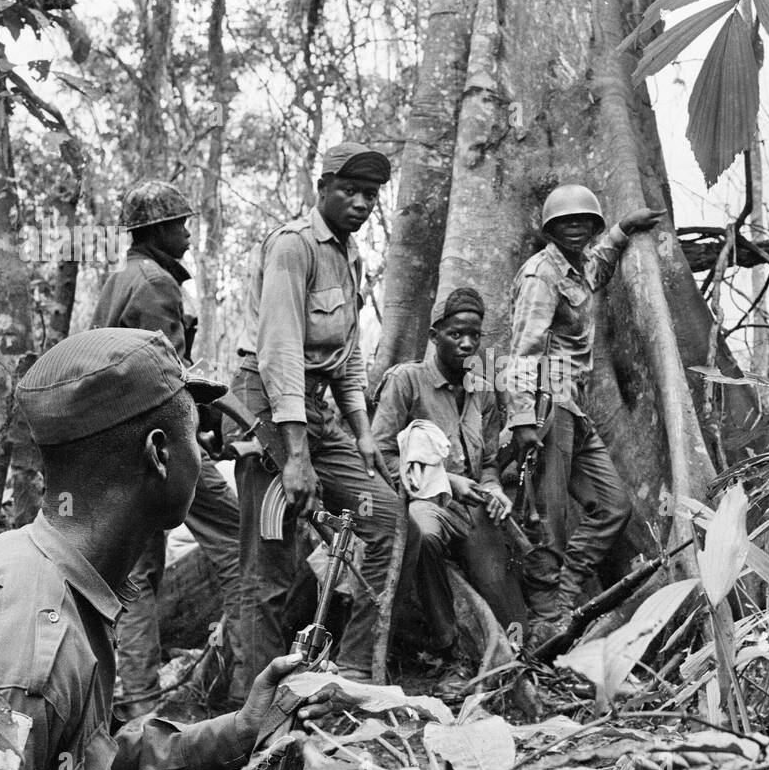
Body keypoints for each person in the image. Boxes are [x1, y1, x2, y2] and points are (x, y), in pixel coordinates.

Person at [0, 329, 342, 770]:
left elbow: (82, 766)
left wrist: (243, 727)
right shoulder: (30, 653)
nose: (206, 455)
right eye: (194, 436)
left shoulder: (41, 565)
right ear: (159, 453)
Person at [232, 141, 402, 689]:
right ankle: (248, 713)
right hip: (270, 413)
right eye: (349, 191)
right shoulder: (292, 246)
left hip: (316, 411)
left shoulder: (349, 255)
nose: (360, 203)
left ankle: (351, 671)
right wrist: (296, 458)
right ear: (322, 189)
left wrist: (363, 435)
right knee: (270, 566)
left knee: (388, 522)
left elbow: (347, 357)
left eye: (370, 195)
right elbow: (278, 352)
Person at [92, 180, 243, 717]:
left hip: (122, 445)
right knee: (241, 543)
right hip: (161, 444)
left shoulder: (121, 279)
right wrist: (213, 424)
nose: (187, 233)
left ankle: (138, 705)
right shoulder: (155, 284)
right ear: (157, 231)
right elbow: (166, 377)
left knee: (137, 577)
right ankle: (246, 687)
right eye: (181, 224)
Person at [506, 184, 665, 645]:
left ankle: (568, 591)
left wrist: (619, 232)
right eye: (564, 222)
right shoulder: (541, 275)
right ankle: (546, 619)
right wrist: (520, 420)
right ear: (550, 229)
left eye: (584, 221)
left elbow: (596, 269)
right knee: (548, 517)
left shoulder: (576, 267)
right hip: (544, 405)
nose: (575, 228)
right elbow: (522, 350)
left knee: (613, 505)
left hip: (572, 406)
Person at [372, 286, 526, 661]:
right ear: (434, 336)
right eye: (456, 334)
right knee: (421, 536)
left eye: (474, 335)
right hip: (425, 499)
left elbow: (488, 460)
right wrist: (446, 481)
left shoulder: (483, 389)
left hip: (472, 507)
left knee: (508, 614)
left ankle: (510, 658)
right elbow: (380, 456)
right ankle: (446, 647)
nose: (467, 344)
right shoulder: (406, 381)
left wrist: (492, 489)